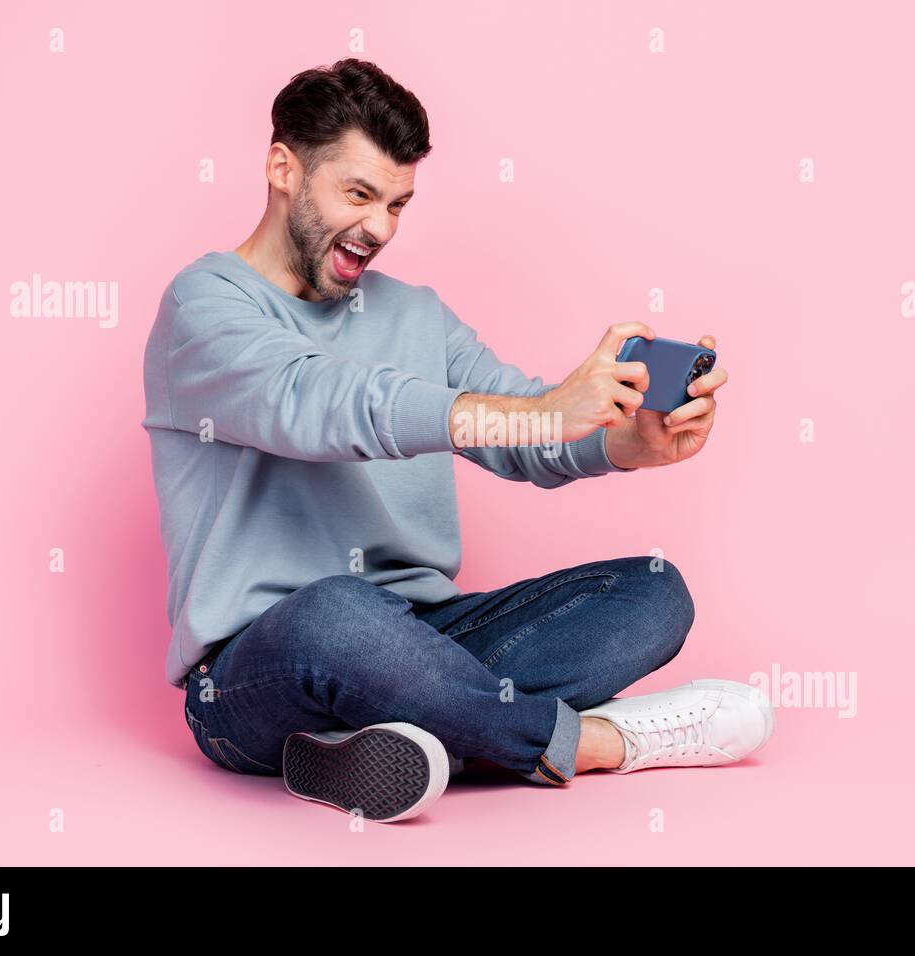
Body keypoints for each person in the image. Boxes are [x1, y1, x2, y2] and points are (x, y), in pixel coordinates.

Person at [141, 58, 773, 823]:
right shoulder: (204, 307)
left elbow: (523, 424)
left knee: (651, 590)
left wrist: (621, 444)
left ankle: (383, 738)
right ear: (283, 168)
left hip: (425, 636)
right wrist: (530, 414)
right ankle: (598, 742)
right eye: (359, 194)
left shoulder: (415, 313)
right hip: (255, 671)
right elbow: (320, 402)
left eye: (398, 204)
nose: (379, 228)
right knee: (336, 615)